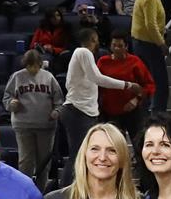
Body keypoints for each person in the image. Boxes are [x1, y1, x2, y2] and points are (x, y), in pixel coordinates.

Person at [55, 26, 136, 182]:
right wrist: (127, 85)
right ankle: (66, 192)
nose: (98, 43)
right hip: (78, 111)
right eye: (97, 40)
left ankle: (75, 190)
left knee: (79, 155)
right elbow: (97, 78)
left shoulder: (78, 55)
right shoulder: (84, 52)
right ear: (93, 39)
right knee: (77, 155)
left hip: (79, 110)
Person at [3, 50, 61, 185]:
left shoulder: (49, 77)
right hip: (23, 125)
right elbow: (6, 98)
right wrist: (12, 104)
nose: (33, 69)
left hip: (46, 126)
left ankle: (40, 192)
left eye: (36, 66)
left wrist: (56, 111)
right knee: (25, 161)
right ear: (25, 65)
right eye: (30, 66)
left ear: (40, 64)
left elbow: (59, 100)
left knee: (44, 162)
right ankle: (25, 190)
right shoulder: (16, 77)